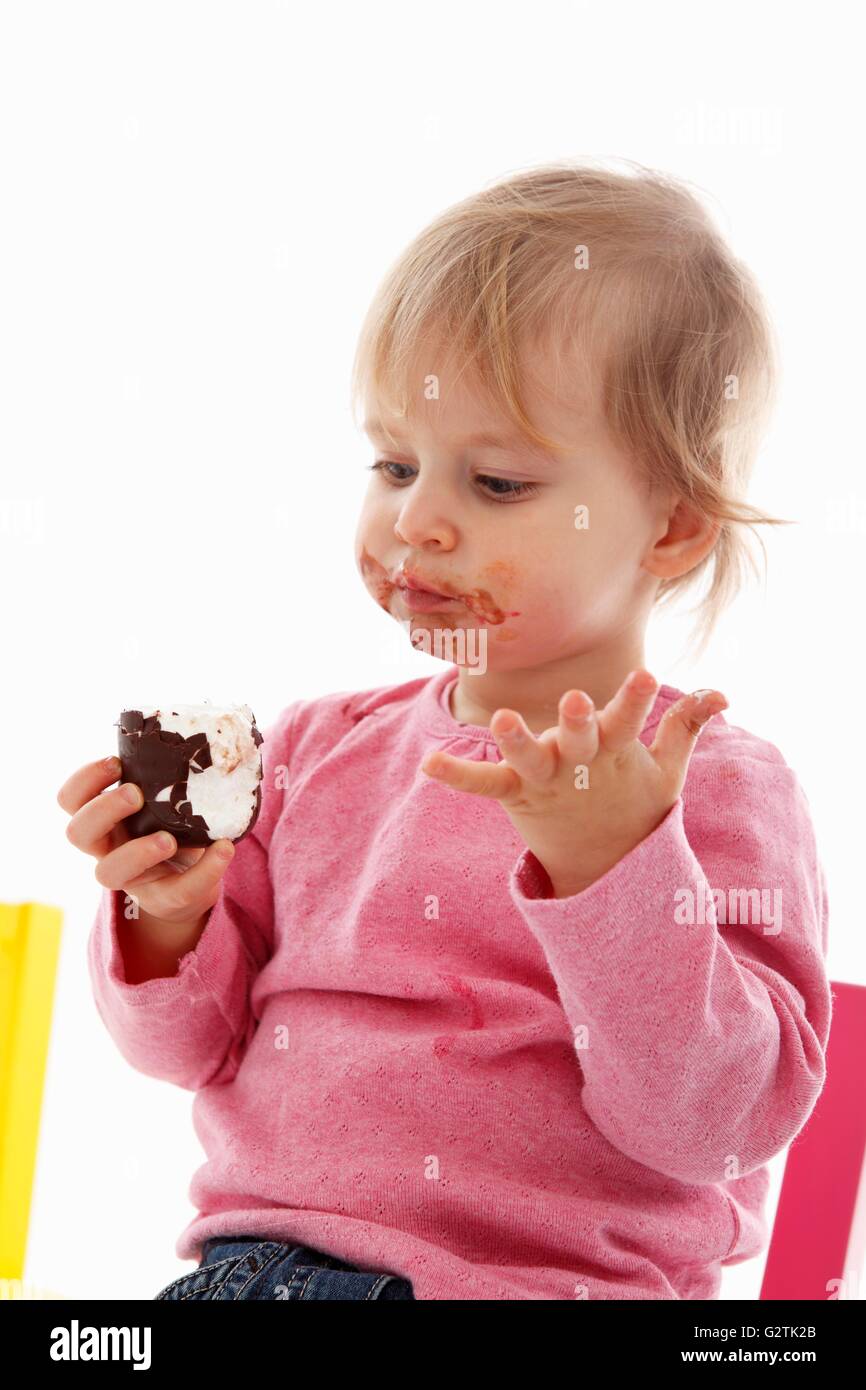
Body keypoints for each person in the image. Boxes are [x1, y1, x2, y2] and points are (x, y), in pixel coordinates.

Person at [58, 160, 831, 1300]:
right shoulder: (314, 752)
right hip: (242, 1276)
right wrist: (167, 915)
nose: (416, 520)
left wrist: (612, 864)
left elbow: (716, 1122)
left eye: (498, 483)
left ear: (668, 527)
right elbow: (183, 1049)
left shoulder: (703, 783)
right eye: (394, 463)